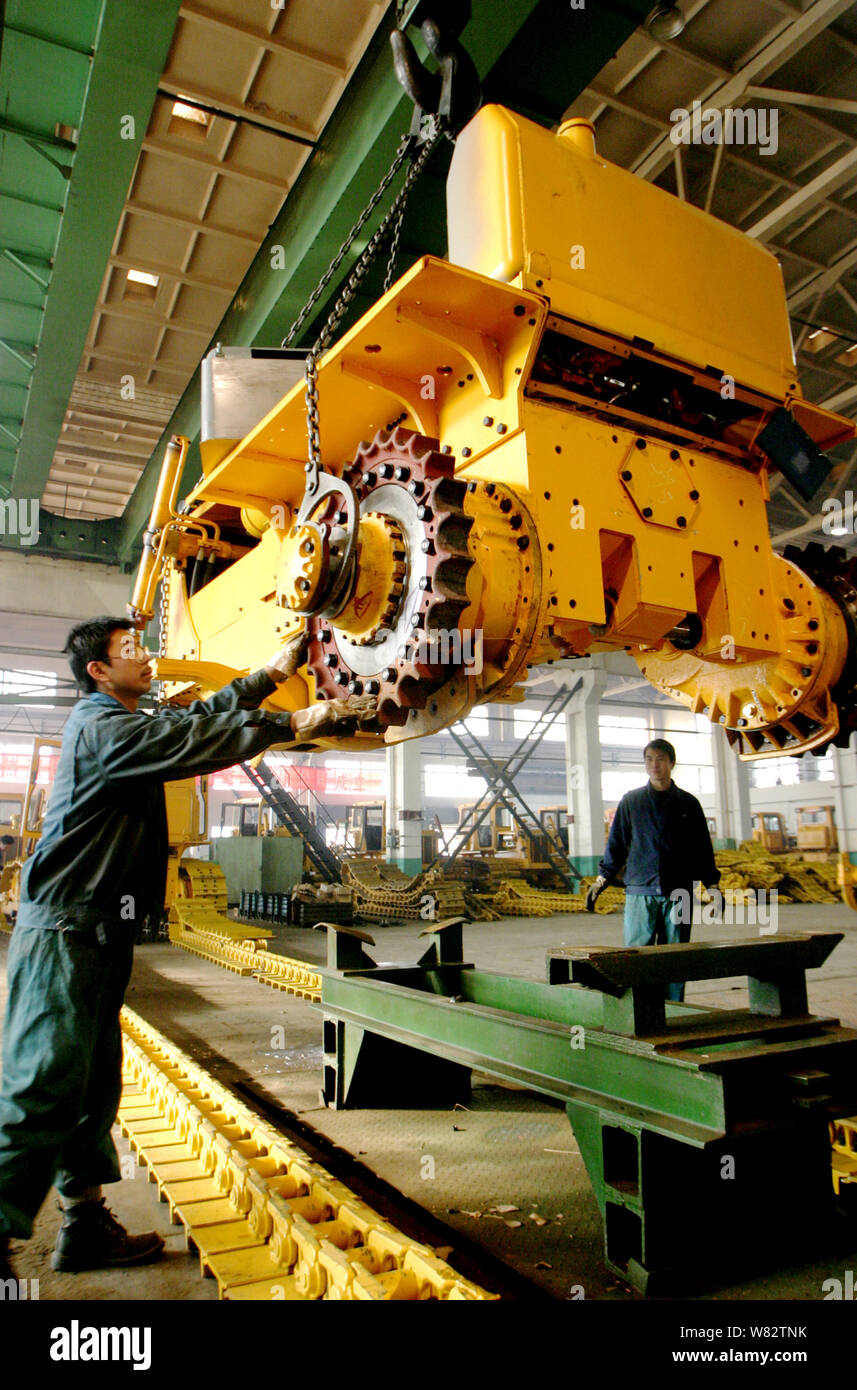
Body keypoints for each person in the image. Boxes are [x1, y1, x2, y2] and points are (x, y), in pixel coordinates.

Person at [0, 617, 374, 1281]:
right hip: (64, 930)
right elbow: (192, 737)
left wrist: (268, 673)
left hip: (97, 931)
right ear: (97, 670)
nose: (144, 657)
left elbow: (197, 714)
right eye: (129, 650)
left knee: (89, 1087)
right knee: (40, 1087)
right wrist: (294, 724)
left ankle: (83, 1226)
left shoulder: (125, 720)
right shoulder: (101, 727)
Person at [585, 738, 719, 1001]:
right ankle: (639, 1010)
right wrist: (601, 880)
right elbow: (617, 845)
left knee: (676, 957)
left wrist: (712, 885)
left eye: (660, 759)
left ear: (671, 763)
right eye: (649, 759)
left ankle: (672, 1009)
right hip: (640, 892)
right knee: (636, 957)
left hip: (680, 891)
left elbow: (702, 848)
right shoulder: (632, 802)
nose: (654, 765)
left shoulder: (688, 804)